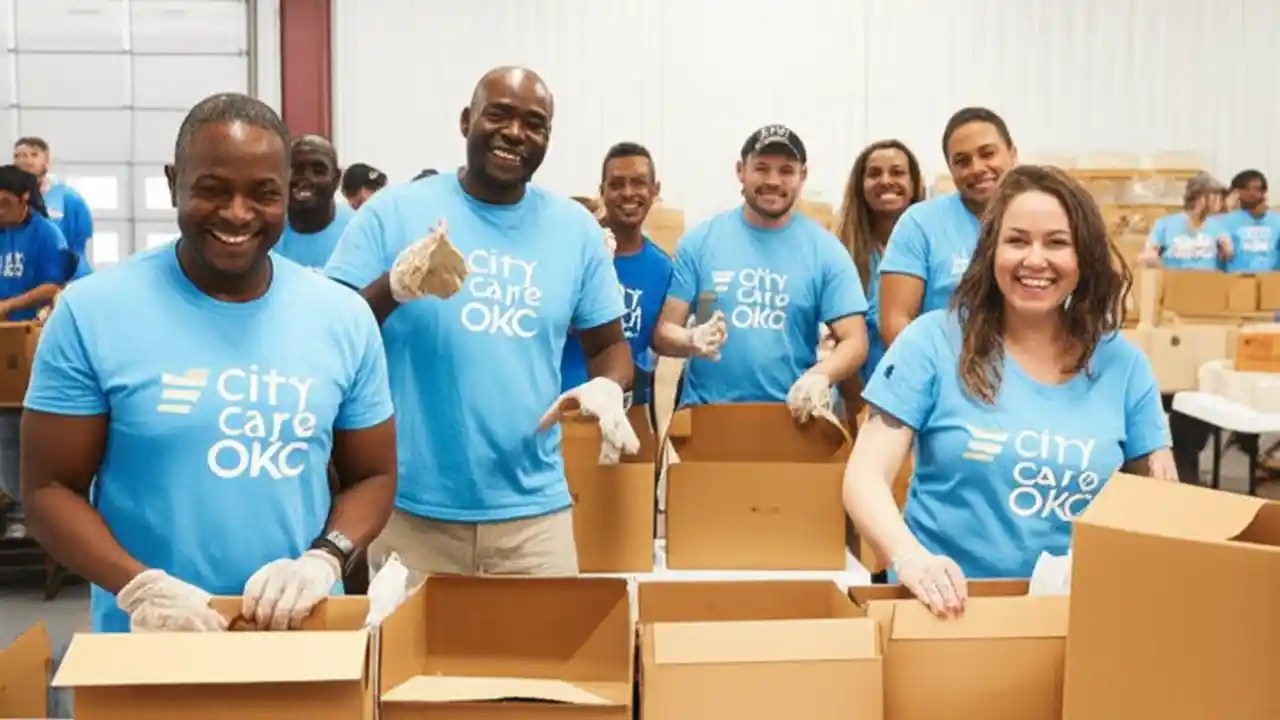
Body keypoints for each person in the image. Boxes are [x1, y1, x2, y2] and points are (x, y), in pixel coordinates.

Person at [20, 92, 398, 633]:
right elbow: (48, 490)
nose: (238, 214)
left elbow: (374, 474)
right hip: (150, 640)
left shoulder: (342, 317)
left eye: (264, 194)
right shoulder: (94, 312)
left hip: (304, 635)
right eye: (212, 190)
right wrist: (137, 585)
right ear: (173, 182)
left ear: (287, 193)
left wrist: (325, 558)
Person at [325, 66, 636, 584]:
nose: (515, 132)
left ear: (547, 139)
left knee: (548, 663)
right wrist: (393, 288)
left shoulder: (575, 229)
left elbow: (609, 346)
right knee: (406, 666)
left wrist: (608, 385)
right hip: (409, 514)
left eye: (533, 123)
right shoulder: (394, 212)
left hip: (535, 517)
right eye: (499, 115)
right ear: (467, 120)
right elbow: (333, 334)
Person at [844, 165, 1175, 618]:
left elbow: (1164, 500)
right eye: (1017, 240)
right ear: (991, 251)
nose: (1034, 260)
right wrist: (911, 559)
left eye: (1057, 242)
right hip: (945, 613)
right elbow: (864, 478)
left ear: (1084, 257)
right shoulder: (932, 342)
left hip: (1079, 617)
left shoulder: (1124, 365)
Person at [651, 124, 868, 426]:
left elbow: (855, 340)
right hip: (708, 417)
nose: (773, 181)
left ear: (802, 176)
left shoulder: (825, 251)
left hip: (793, 419)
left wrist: (820, 376)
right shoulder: (701, 241)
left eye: (786, 171)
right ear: (741, 171)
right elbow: (663, 332)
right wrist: (690, 338)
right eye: (761, 169)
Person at [878, 107, 1018, 348]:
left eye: (987, 154)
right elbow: (895, 322)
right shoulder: (920, 223)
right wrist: (940, 374)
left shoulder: (1045, 216)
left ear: (1012, 154)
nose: (977, 168)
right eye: (962, 161)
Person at [562, 142, 672, 410]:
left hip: (623, 413)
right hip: (560, 408)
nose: (628, 193)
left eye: (638, 183)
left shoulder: (663, 268)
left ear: (655, 190)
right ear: (602, 192)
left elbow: (658, 342)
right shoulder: (573, 248)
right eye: (616, 184)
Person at [0, 165, 69, 539]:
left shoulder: (45, 233)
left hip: (30, 337)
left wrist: (9, 305)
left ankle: (25, 511)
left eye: (4, 204)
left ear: (25, 199)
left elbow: (51, 284)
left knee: (18, 423)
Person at [834, 139, 925, 387]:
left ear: (914, 183)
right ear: (860, 185)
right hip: (859, 398)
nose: (886, 180)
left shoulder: (934, 251)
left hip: (923, 390)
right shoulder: (840, 254)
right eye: (874, 173)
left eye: (897, 172)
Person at [272, 135, 355, 270]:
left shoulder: (358, 231)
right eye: (297, 170)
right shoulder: (268, 232)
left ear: (336, 179)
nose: (306, 180)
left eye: (318, 171)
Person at [13, 137, 94, 271]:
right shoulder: (7, 200)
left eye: (33, 154)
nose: (25, 160)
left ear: (47, 161)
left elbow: (79, 245)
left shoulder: (67, 198)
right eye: (18, 156)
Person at [1137, 172, 1230, 270]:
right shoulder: (1165, 225)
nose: (1220, 202)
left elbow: (1228, 259)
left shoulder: (1219, 226)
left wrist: (1227, 252)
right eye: (1215, 196)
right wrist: (1156, 263)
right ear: (1200, 198)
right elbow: (1147, 256)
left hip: (1211, 282)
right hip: (1174, 282)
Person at [1205, 169, 1280, 273]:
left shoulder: (1277, 221)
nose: (1251, 193)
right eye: (1245, 189)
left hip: (1271, 283)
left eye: (1256, 189)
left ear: (1264, 192)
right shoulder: (1222, 222)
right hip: (1236, 282)